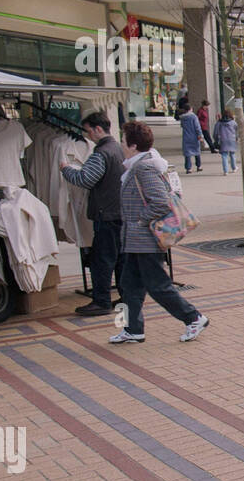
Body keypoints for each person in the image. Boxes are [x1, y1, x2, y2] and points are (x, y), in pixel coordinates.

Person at [110, 120, 209, 344]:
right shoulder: (136, 166)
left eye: (123, 140)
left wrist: (139, 222)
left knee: (158, 286)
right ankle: (132, 330)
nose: (121, 144)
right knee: (128, 286)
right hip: (135, 241)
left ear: (133, 145)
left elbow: (161, 203)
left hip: (145, 240)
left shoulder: (143, 167)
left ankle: (194, 317)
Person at [59, 111, 124, 317]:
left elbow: (86, 179)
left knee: (102, 260)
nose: (87, 136)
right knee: (120, 258)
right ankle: (127, 295)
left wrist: (66, 169)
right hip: (119, 212)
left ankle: (101, 301)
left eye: (88, 131)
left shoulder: (101, 153)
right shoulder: (118, 148)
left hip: (107, 214)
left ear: (97, 129)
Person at [213, 110, 238, 175]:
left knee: (224, 156)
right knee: (232, 154)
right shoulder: (233, 122)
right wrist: (236, 138)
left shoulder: (219, 123)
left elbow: (215, 133)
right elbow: (236, 131)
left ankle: (225, 171)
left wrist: (216, 139)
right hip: (232, 139)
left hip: (223, 140)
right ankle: (234, 168)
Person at [178, 105, 202, 172]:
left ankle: (188, 168)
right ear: (190, 109)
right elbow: (197, 127)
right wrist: (200, 135)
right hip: (194, 136)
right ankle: (199, 166)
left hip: (186, 136)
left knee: (187, 153)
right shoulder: (194, 117)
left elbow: (182, 126)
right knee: (197, 151)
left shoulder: (182, 118)